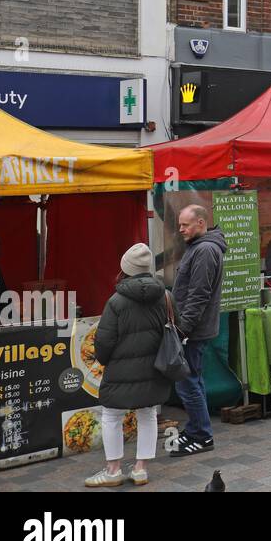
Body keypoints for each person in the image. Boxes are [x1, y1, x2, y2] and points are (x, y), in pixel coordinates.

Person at [86, 243, 171, 487]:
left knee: (111, 414)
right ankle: (141, 469)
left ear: (125, 269)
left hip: (120, 369)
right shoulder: (164, 295)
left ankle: (113, 471)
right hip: (155, 366)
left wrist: (105, 361)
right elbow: (179, 327)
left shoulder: (116, 301)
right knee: (148, 414)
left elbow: (103, 340)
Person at [171, 205, 225, 457]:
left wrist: (183, 329)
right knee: (193, 379)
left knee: (187, 383)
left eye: (185, 225)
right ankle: (195, 429)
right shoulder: (199, 247)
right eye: (180, 224)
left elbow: (198, 294)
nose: (181, 229)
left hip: (193, 330)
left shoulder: (204, 250)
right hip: (194, 328)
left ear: (201, 223)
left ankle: (202, 436)